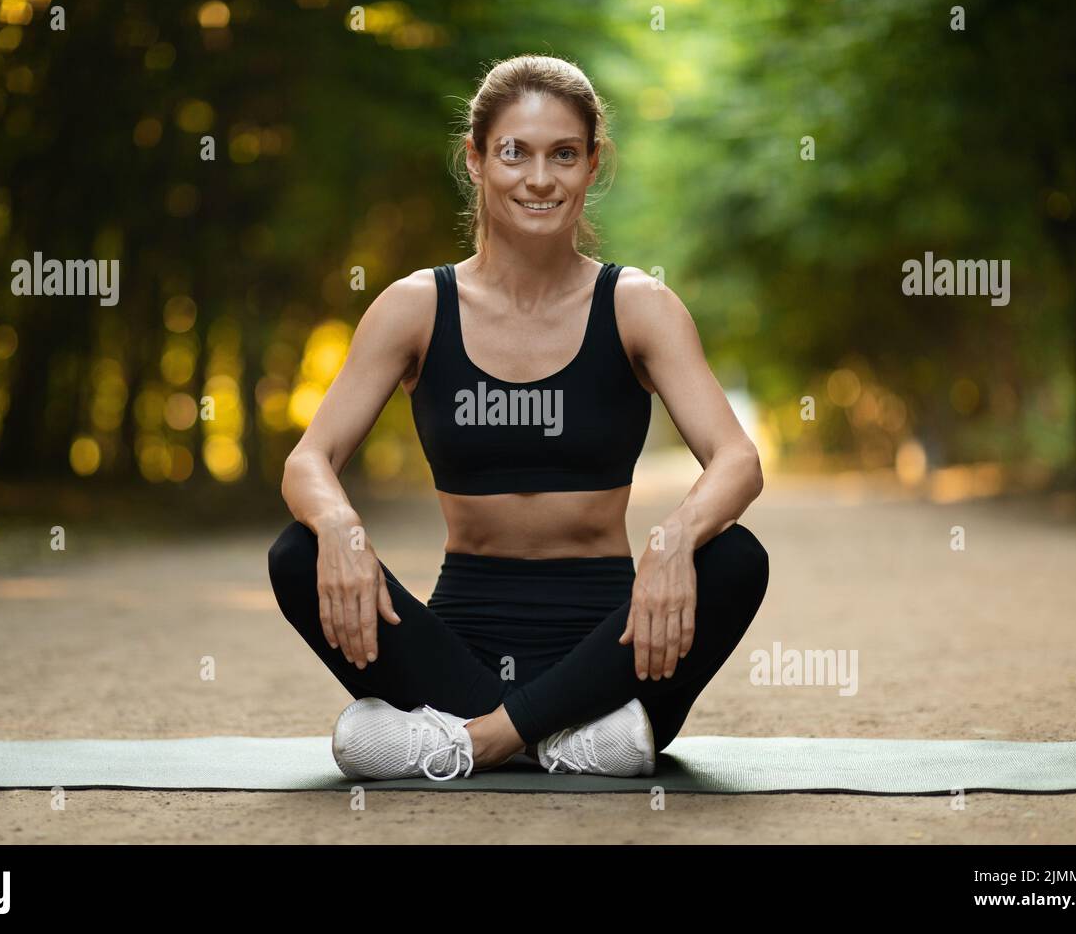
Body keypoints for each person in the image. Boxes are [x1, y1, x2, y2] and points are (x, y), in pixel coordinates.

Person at [268, 54, 768, 782]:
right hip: (457, 647)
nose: (540, 178)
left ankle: (463, 742)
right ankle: (563, 741)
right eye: (515, 153)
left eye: (564, 154)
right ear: (474, 160)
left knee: (737, 558)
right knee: (295, 553)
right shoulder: (415, 307)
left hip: (615, 643)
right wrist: (340, 527)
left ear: (593, 164)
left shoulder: (638, 307)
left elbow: (737, 459)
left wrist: (674, 537)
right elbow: (307, 460)